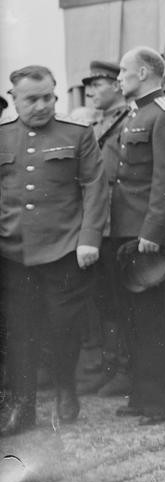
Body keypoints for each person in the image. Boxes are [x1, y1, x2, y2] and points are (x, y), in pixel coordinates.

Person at [0, 65, 106, 436]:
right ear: (14, 99)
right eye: (32, 99)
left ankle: (65, 387)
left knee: (64, 328)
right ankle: (23, 406)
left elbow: (95, 186)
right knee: (19, 331)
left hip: (64, 249)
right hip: (13, 251)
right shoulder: (2, 136)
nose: (43, 105)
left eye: (48, 97)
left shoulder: (77, 133)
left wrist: (89, 238)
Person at [111, 46, 165, 425]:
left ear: (142, 72)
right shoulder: (135, 114)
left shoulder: (164, 115)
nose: (118, 78)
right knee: (137, 320)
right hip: (129, 231)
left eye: (123, 70)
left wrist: (153, 231)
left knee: (157, 321)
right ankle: (144, 395)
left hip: (150, 234)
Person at [78, 60, 133, 397]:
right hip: (98, 223)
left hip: (123, 220)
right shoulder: (93, 125)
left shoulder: (130, 120)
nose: (91, 92)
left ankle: (127, 368)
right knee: (103, 300)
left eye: (98, 84)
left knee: (123, 298)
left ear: (116, 85)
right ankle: (110, 365)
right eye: (89, 86)